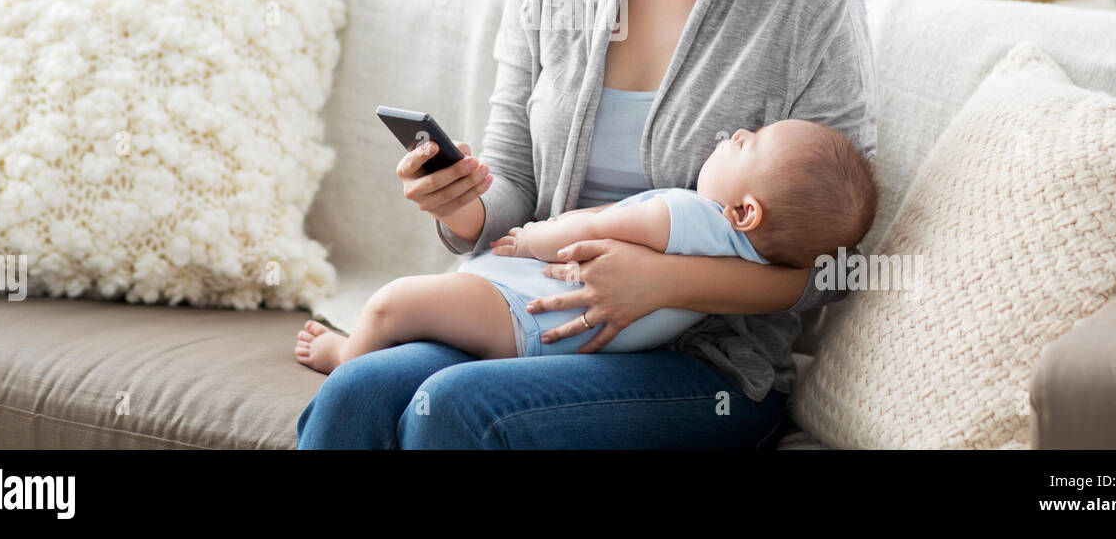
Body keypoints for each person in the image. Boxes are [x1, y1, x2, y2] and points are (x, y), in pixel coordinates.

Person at [296, 0, 879, 449]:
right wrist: (460, 207)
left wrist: (663, 283)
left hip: (704, 367)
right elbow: (512, 192)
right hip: (538, 312)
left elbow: (825, 264)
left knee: (460, 407)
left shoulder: (806, 6)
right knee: (358, 389)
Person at [294, 118, 876, 368]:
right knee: (410, 332)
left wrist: (535, 238)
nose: (739, 133)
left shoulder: (692, 214)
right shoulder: (749, 252)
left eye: (748, 144)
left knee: (394, 303)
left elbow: (601, 226)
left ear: (745, 210)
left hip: (528, 314)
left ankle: (344, 355)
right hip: (560, 337)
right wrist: (463, 206)